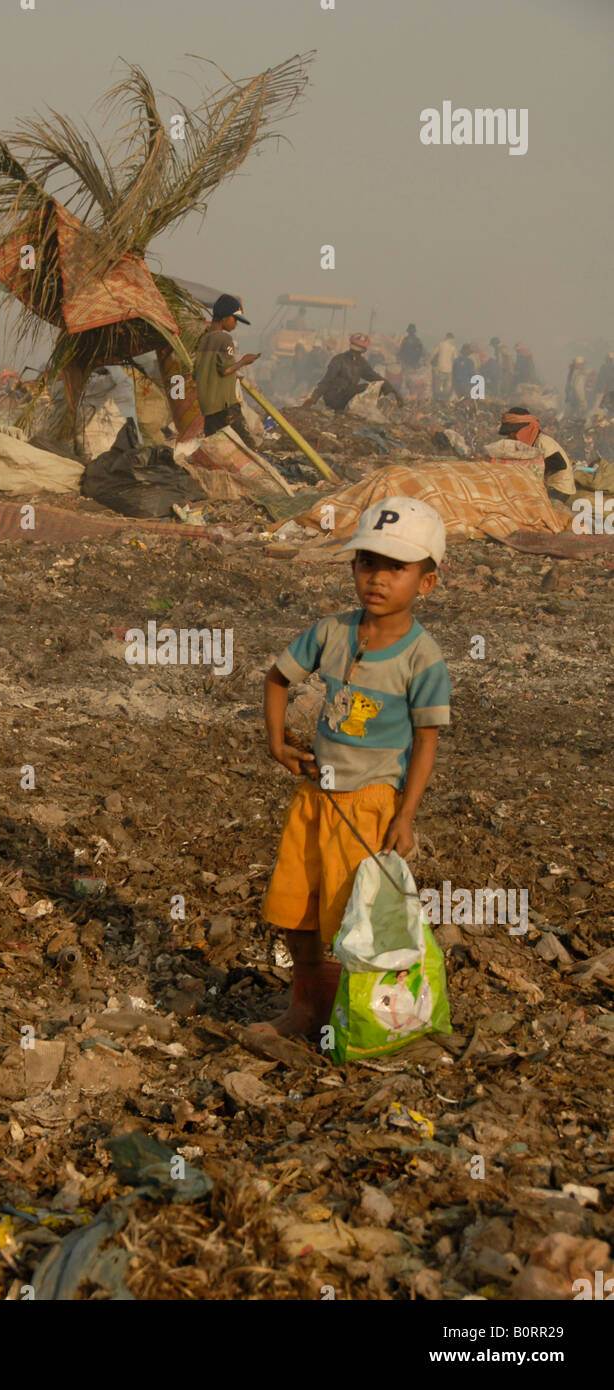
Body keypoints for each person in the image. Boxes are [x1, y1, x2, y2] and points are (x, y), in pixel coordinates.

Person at [253, 496, 450, 1037]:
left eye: (396, 567)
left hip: (369, 808)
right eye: (367, 562)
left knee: (351, 917)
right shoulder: (331, 633)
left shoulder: (422, 658)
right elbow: (277, 678)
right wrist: (278, 744)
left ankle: (348, 1021)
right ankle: (305, 1010)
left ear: (426, 583)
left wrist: (405, 816)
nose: (378, 578)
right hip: (315, 799)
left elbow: (427, 743)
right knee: (298, 909)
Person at [193, 293, 259, 445]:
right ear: (225, 318)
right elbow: (225, 370)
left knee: (218, 446)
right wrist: (244, 361)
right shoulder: (224, 339)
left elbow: (199, 373)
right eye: (235, 320)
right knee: (246, 444)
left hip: (208, 407)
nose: (236, 324)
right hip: (225, 406)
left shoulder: (204, 340)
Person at [303, 332, 403, 412]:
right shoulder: (340, 360)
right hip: (334, 399)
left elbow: (376, 378)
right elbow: (327, 381)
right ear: (363, 350)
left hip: (344, 396)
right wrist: (314, 398)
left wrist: (394, 391)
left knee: (372, 386)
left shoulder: (357, 362)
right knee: (367, 387)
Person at [498, 406, 575, 504]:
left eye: (513, 433)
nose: (510, 437)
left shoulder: (543, 442)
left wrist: (532, 469)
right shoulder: (530, 443)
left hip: (558, 489)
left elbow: (559, 464)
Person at [430, 333, 457, 400]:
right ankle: (444, 400)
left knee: (438, 387)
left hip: (440, 369)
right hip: (449, 370)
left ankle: (438, 399)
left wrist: (430, 363)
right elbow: (456, 359)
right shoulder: (452, 348)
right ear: (451, 339)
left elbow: (432, 355)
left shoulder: (440, 345)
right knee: (447, 388)